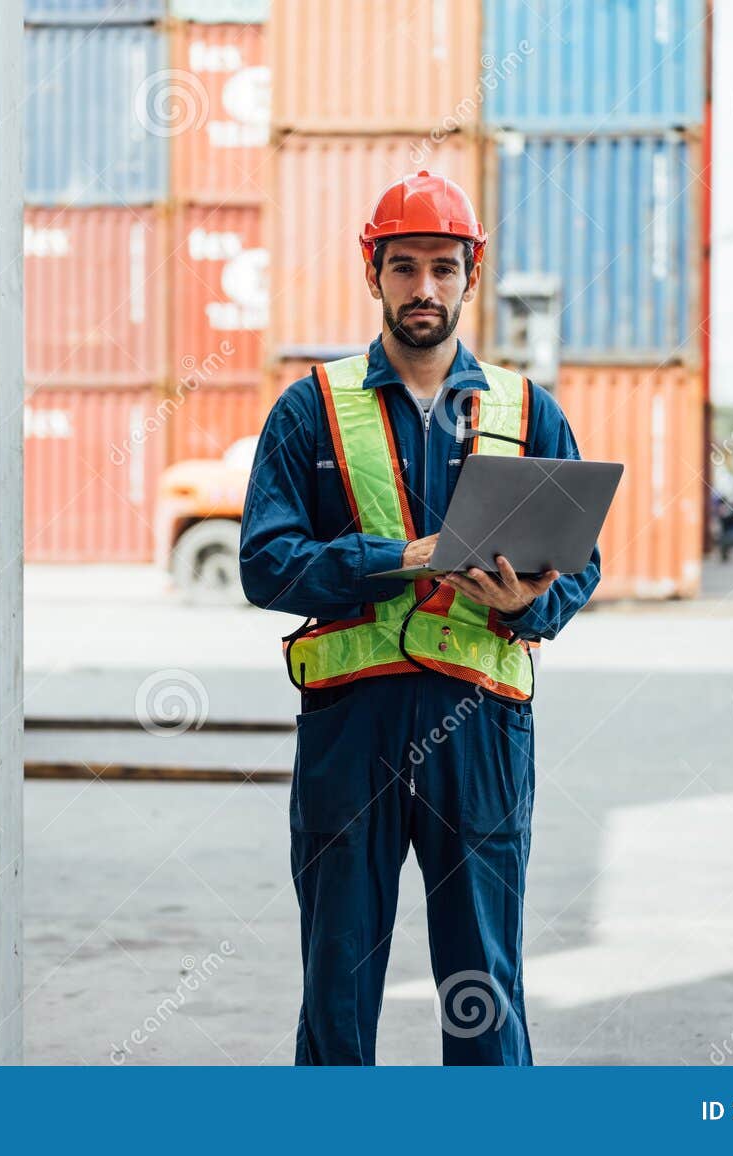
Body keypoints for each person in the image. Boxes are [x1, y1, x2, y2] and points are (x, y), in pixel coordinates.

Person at [239, 171, 602, 1065]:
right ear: (374, 273)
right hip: (349, 730)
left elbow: (580, 564)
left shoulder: (529, 411)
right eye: (404, 267)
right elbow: (263, 563)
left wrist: (531, 604)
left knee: (483, 980)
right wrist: (401, 556)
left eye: (444, 268)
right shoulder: (310, 409)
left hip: (478, 724)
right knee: (338, 979)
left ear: (470, 276)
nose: (425, 289)